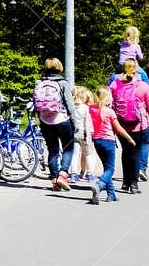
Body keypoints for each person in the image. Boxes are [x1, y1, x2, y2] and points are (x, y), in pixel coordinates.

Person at [111, 58, 149, 192]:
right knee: (136, 152)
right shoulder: (143, 86)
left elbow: (110, 104)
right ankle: (134, 184)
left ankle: (125, 182)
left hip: (121, 125)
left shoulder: (115, 84)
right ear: (137, 69)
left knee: (126, 152)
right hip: (139, 125)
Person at [32, 58, 77, 191]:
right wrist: (75, 122)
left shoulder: (39, 82)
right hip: (62, 120)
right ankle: (63, 175)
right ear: (59, 67)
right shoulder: (63, 83)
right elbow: (70, 105)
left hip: (45, 121)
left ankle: (54, 181)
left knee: (52, 150)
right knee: (68, 148)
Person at [86, 87, 131, 204]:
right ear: (107, 98)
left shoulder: (91, 109)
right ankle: (99, 185)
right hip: (108, 142)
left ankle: (111, 194)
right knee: (110, 169)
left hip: (97, 141)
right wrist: (130, 139)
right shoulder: (109, 111)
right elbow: (118, 128)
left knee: (106, 168)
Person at [70, 85, 96, 183]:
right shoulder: (86, 108)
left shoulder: (71, 108)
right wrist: (89, 135)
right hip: (85, 134)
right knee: (89, 154)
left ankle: (73, 174)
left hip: (74, 134)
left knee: (75, 154)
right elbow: (88, 123)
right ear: (83, 97)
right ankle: (90, 174)